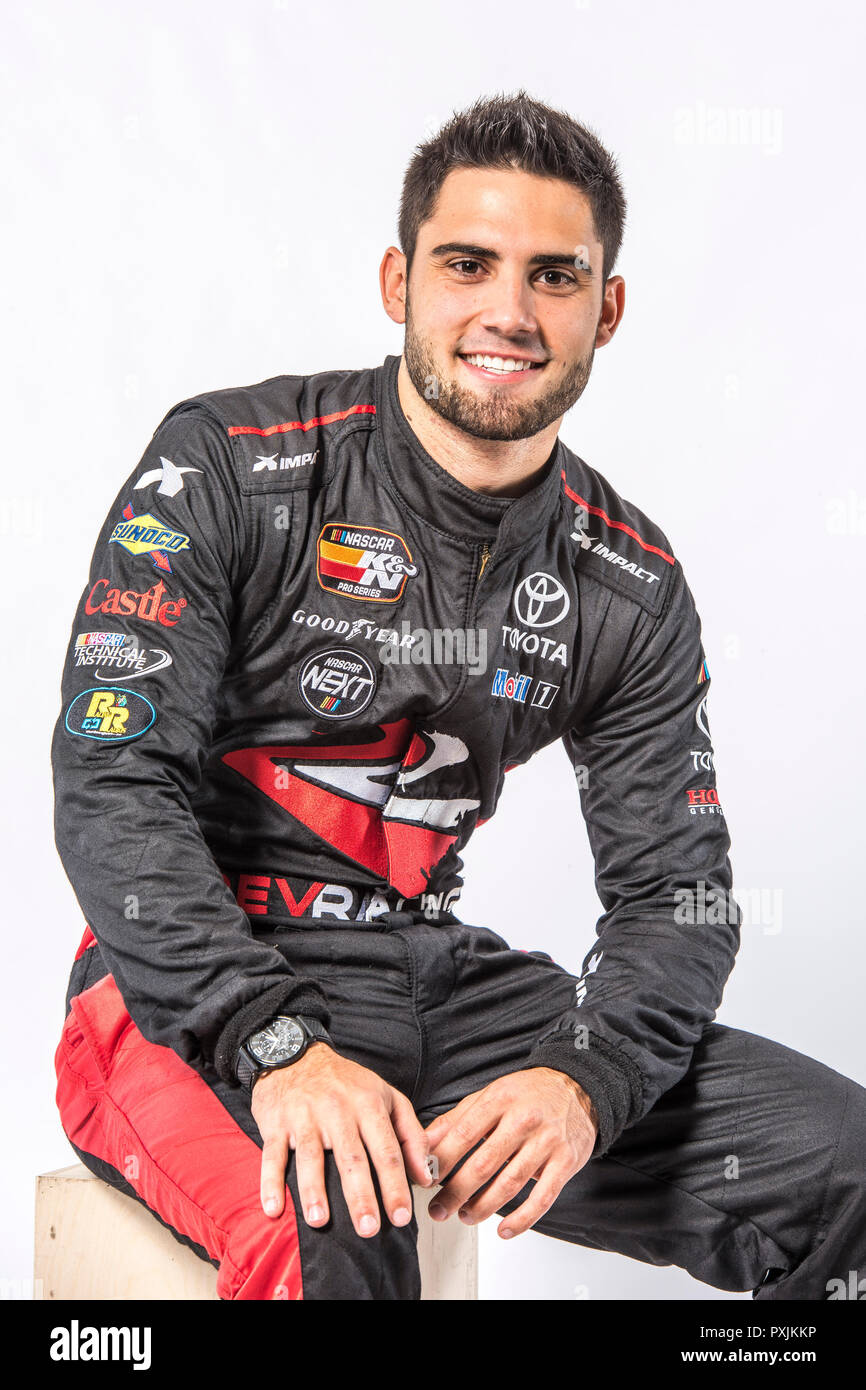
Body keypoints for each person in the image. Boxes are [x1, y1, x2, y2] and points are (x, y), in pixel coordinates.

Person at [51, 90, 866, 1301]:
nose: (508, 312)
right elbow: (114, 786)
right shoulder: (225, 462)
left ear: (608, 307)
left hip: (439, 985)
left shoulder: (625, 580)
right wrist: (272, 1043)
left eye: (554, 276)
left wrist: (582, 1076)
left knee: (847, 1172)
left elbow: (673, 897)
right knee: (336, 1227)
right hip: (179, 1001)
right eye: (466, 264)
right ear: (398, 282)